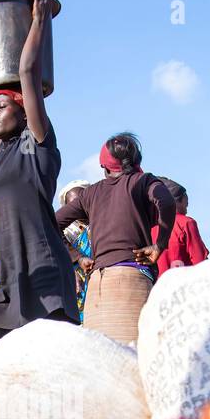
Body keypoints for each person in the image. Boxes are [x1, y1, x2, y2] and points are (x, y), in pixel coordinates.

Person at [0, 0, 78, 362]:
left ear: (23, 109)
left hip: (46, 277)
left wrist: (37, 20)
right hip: (8, 284)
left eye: (4, 106)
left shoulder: (40, 147)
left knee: (55, 372)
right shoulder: (0, 155)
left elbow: (28, 73)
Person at [55, 133, 175, 344]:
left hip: (97, 288)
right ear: (136, 159)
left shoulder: (90, 193)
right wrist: (159, 244)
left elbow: (52, 222)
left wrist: (77, 256)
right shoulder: (143, 180)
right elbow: (166, 201)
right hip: (132, 280)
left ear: (104, 166)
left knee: (101, 366)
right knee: (134, 363)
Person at [152, 178, 209, 275]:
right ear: (176, 202)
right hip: (183, 286)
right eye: (185, 202)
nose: (187, 205)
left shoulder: (151, 227)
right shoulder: (186, 223)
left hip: (157, 287)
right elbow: (200, 261)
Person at [58, 179, 92, 318]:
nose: (78, 209)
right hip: (77, 284)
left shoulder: (101, 222)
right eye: (72, 205)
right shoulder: (66, 232)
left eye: (80, 202)